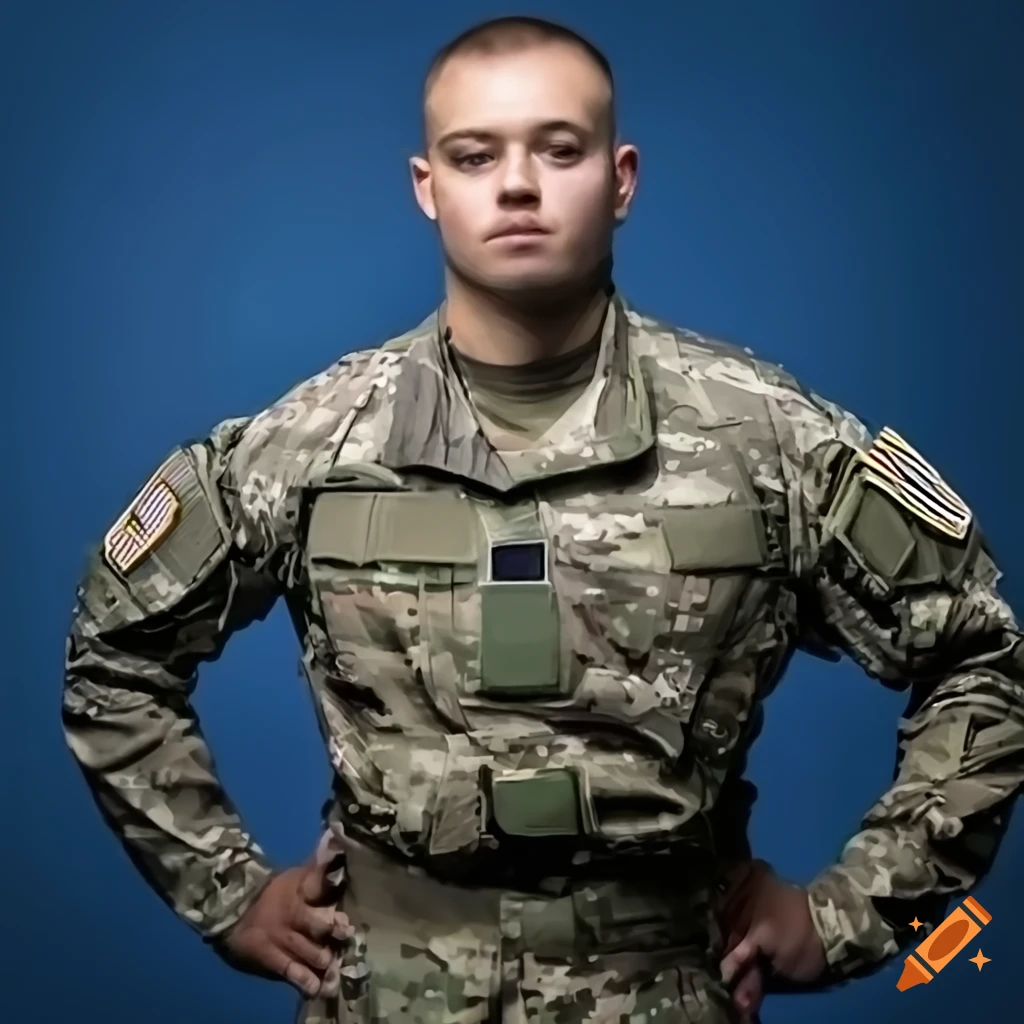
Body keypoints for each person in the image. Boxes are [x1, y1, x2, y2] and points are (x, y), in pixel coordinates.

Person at [62, 15, 1023, 1024]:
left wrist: (849, 915)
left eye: (558, 149)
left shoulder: (767, 442)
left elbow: (982, 659)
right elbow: (115, 654)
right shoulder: (314, 442)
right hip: (386, 997)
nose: (516, 184)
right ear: (427, 186)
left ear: (620, 178)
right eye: (475, 155)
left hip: (664, 992)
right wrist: (227, 893)